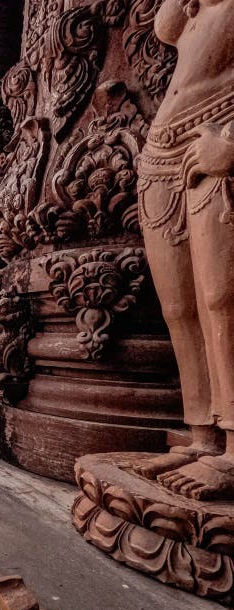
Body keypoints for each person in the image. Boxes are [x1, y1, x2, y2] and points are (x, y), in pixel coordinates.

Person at [136, 0, 234, 498]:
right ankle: (202, 435)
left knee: (223, 299)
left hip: (215, 142)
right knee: (179, 308)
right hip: (160, 159)